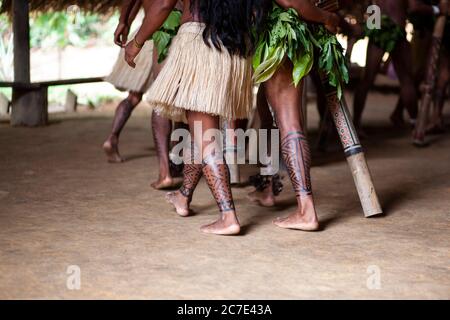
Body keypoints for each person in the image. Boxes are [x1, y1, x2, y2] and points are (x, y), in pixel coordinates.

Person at [123, 0, 264, 235]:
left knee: (205, 137)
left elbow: (164, 4)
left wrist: (136, 42)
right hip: (234, 47)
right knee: (200, 131)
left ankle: (228, 215)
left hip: (200, 43)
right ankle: (183, 196)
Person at [107, 0, 185, 189]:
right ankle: (174, 165)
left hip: (150, 32)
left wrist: (123, 22)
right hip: (176, 31)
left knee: (142, 97)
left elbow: (131, 4)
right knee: (180, 100)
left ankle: (165, 169)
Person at [352, 0, 443, 133]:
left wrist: (372, 26)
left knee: (366, 79)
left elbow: (371, 6)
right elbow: (414, 7)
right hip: (396, 26)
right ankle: (415, 124)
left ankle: (356, 123)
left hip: (377, 22)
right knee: (406, 80)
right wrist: (437, 9)